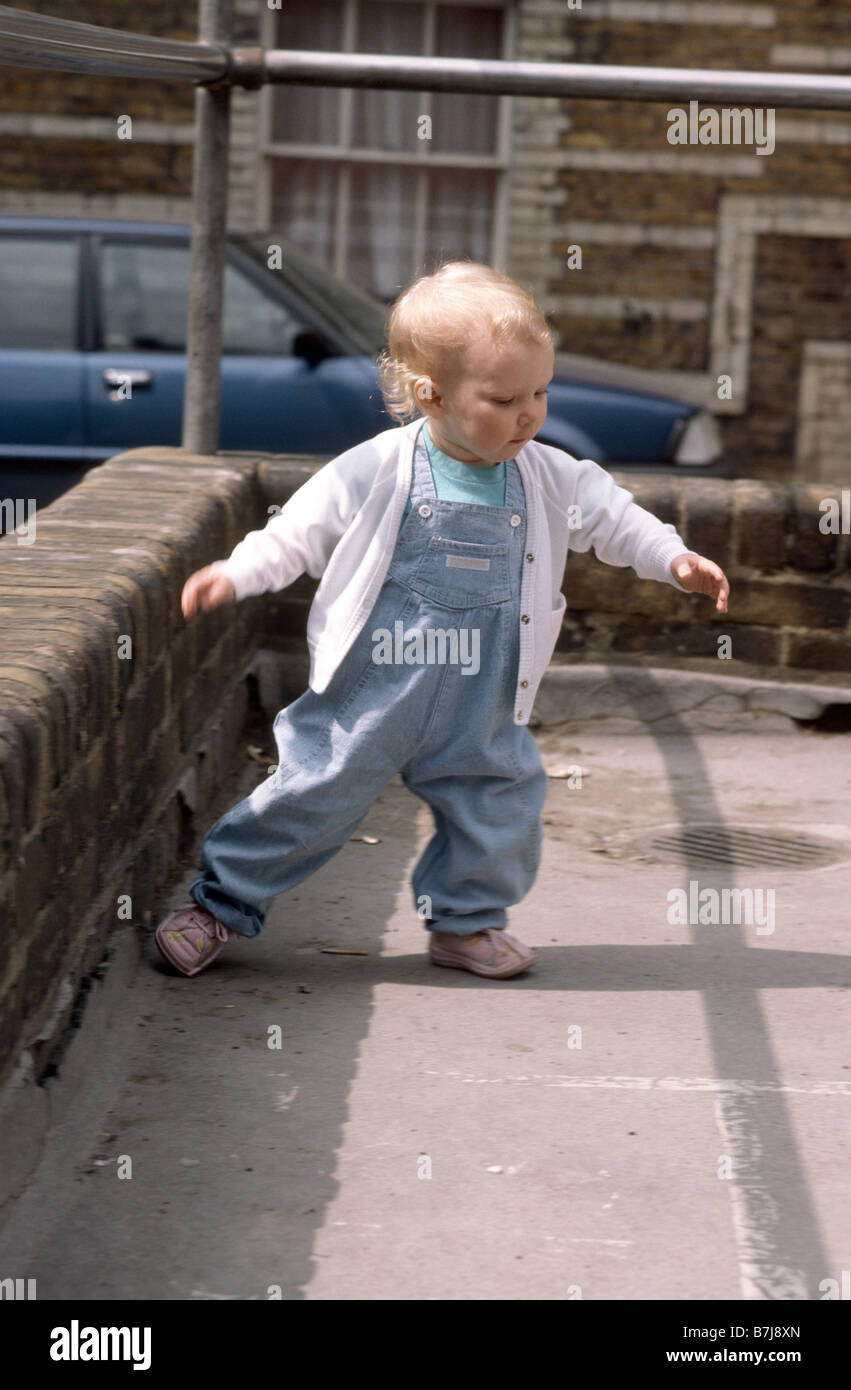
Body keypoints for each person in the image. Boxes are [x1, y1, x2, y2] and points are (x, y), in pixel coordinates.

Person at [155, 261, 730, 980]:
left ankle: (464, 924)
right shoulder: (377, 468)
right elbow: (297, 532)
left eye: (540, 393)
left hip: (480, 695)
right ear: (430, 395)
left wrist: (672, 558)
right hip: (372, 689)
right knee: (309, 795)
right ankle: (218, 906)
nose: (529, 414)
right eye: (504, 398)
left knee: (502, 803)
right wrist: (238, 572)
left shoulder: (547, 476)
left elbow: (614, 519)